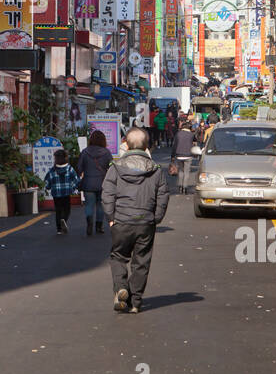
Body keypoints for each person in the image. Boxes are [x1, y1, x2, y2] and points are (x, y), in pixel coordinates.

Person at [101, 127, 169, 314]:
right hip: (146, 222)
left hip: (121, 220)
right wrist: (155, 218)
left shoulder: (115, 168)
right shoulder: (155, 170)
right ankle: (135, 302)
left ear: (126, 144)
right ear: (147, 145)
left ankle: (121, 288)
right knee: (141, 261)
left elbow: (107, 194)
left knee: (118, 256)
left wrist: (111, 217)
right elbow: (163, 196)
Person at [76, 130, 114, 236]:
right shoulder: (106, 152)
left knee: (89, 205)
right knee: (100, 205)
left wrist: (83, 173)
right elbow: (112, 167)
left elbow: (79, 168)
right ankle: (99, 226)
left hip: (88, 182)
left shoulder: (85, 151)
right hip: (103, 183)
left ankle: (89, 224)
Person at [42, 148, 79, 235]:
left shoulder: (52, 170)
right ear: (65, 158)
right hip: (66, 192)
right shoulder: (69, 168)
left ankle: (59, 229)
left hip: (56, 193)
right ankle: (64, 219)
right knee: (67, 210)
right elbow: (76, 180)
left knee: (58, 210)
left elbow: (47, 182)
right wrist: (73, 188)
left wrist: (48, 187)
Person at [171, 118, 196, 194]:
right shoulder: (191, 135)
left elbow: (174, 145)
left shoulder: (178, 134)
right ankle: (185, 188)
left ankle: (180, 187)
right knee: (186, 172)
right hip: (188, 155)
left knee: (181, 171)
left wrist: (172, 156)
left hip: (179, 155)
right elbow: (195, 142)